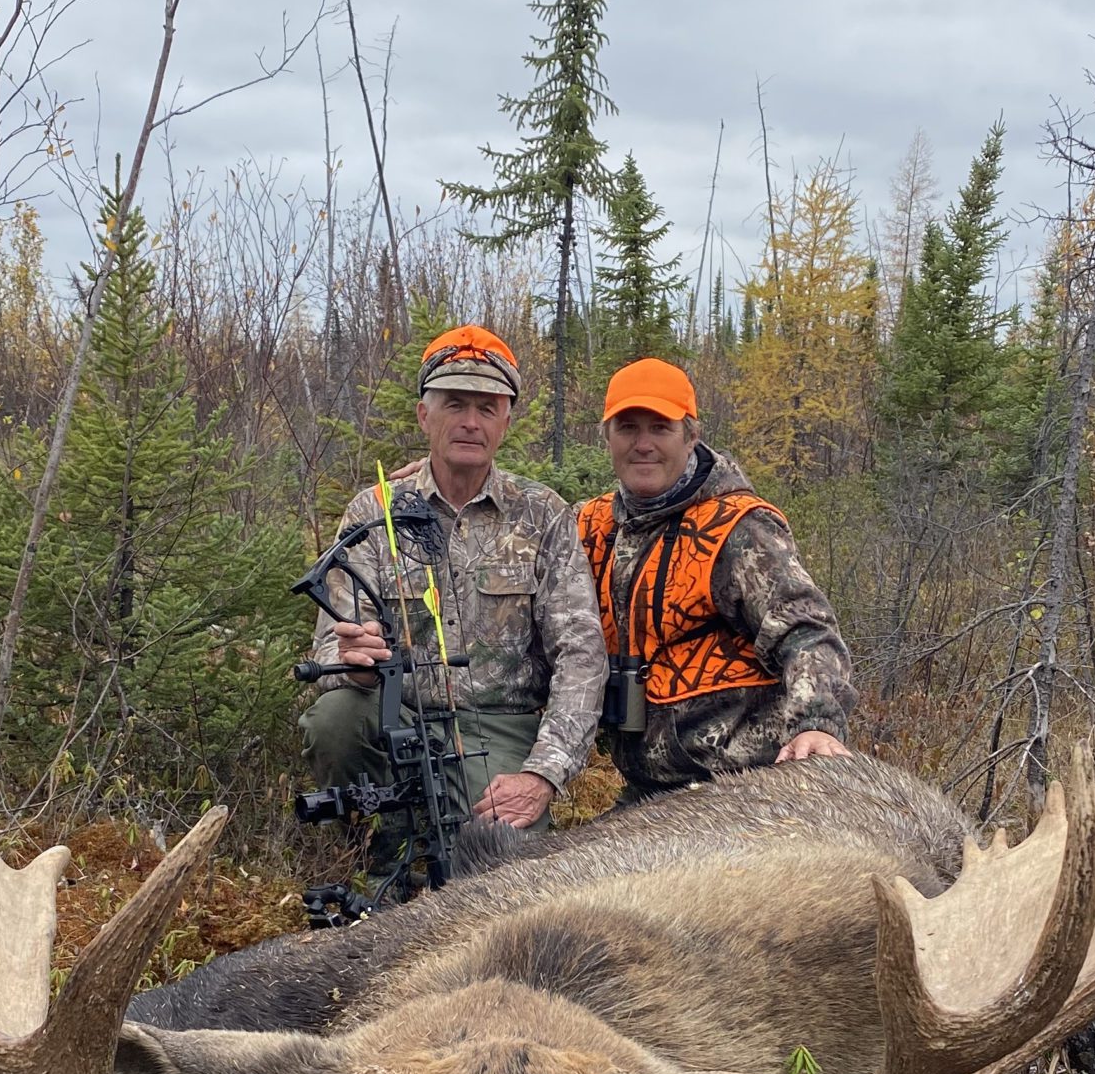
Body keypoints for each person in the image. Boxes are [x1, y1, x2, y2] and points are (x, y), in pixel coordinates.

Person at [302, 324, 606, 847]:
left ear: (506, 421)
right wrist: (355, 664)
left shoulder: (542, 514)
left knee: (500, 856)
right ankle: (385, 837)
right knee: (334, 721)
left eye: (487, 408)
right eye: (454, 404)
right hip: (396, 712)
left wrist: (543, 773)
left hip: (499, 726)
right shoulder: (374, 511)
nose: (470, 422)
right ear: (425, 414)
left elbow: (581, 655)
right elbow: (331, 646)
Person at [578, 355, 856, 798]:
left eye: (660, 427)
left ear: (691, 435)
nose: (643, 443)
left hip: (744, 784)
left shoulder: (739, 530)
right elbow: (521, 539)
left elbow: (807, 632)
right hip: (650, 788)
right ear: (606, 437)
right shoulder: (591, 525)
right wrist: (434, 484)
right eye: (628, 427)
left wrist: (817, 725)